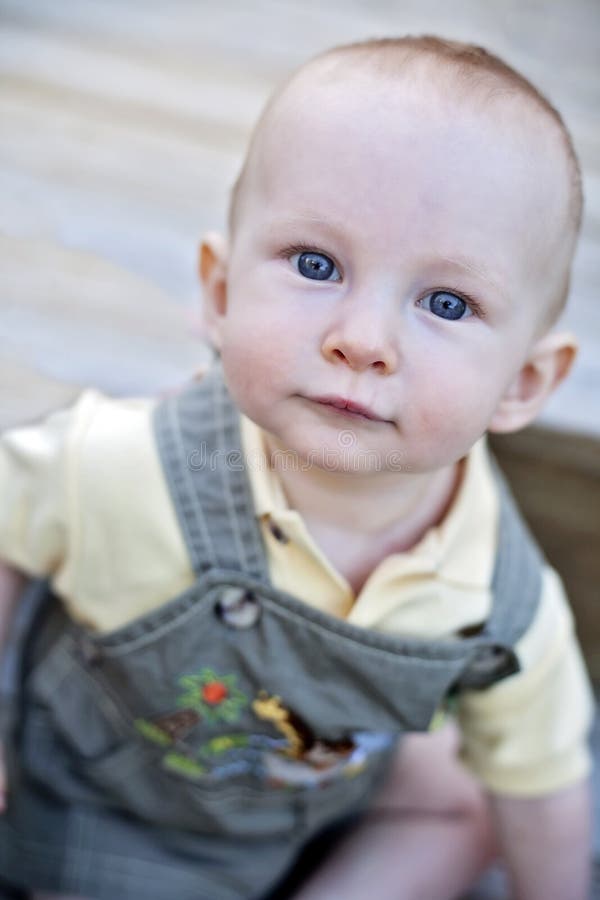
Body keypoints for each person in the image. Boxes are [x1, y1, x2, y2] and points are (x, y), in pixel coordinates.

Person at [0, 35, 594, 900]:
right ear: (221, 294)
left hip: (310, 801)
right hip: (96, 812)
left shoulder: (500, 608)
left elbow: (544, 786)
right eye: (316, 265)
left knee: (470, 805)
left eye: (447, 303)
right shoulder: (123, 468)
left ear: (523, 383)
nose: (362, 339)